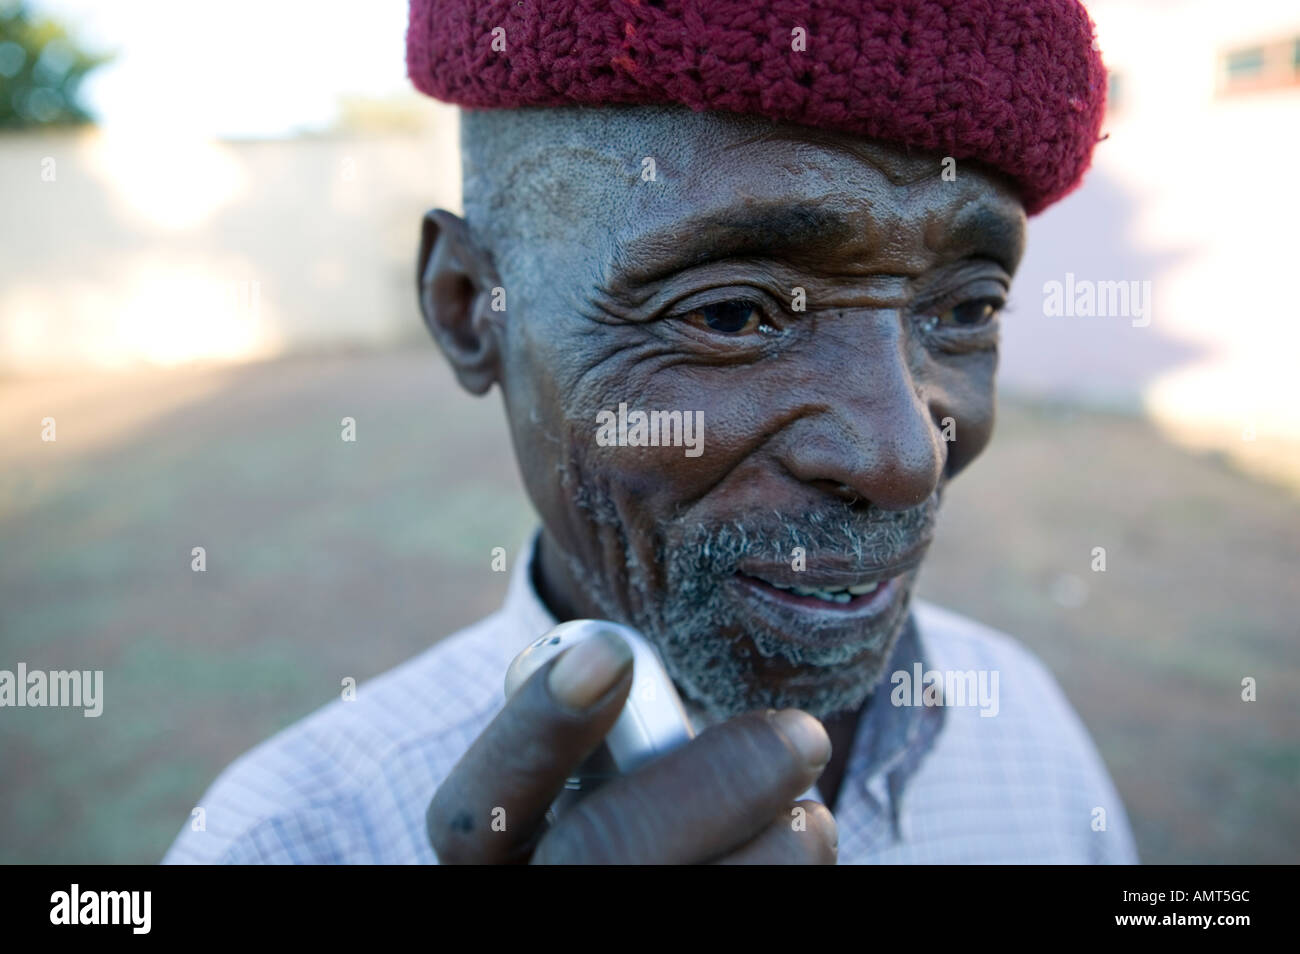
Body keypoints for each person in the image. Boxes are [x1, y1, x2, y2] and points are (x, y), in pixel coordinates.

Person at [164, 0, 1138, 864]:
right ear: (468, 307)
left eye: (965, 310)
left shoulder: (1028, 730)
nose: (900, 455)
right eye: (729, 316)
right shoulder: (292, 836)